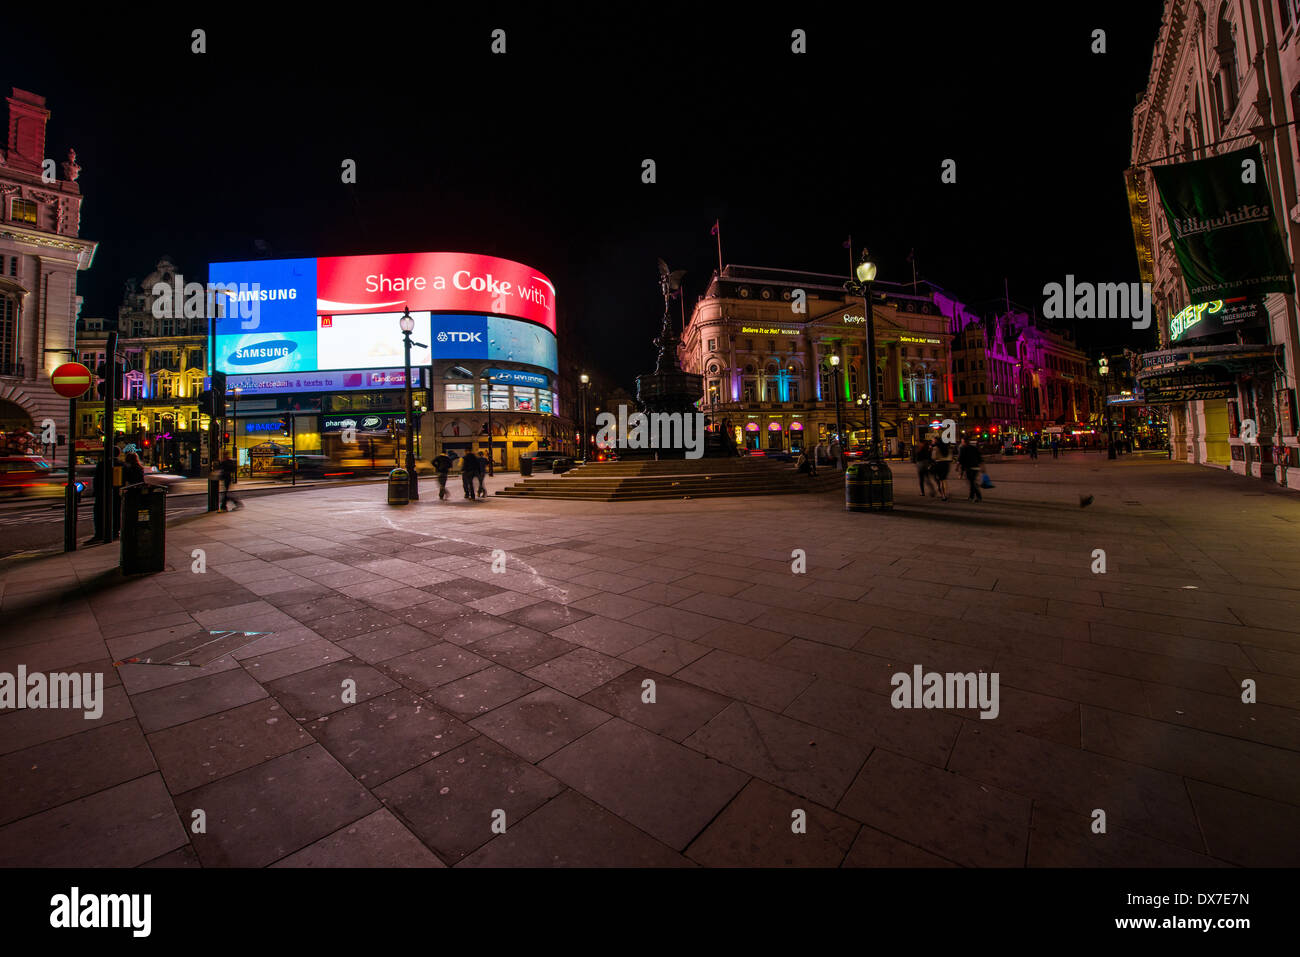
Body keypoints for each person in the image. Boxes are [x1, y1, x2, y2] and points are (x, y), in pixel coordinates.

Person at [89, 444, 123, 542]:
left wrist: (96, 492)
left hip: (102, 494)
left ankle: (99, 533)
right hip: (116, 494)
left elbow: (97, 480)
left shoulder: (102, 464)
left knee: (100, 513)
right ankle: (115, 531)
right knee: (116, 512)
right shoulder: (122, 464)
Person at [958, 437, 984, 502]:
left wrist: (958, 468)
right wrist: (982, 467)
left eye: (962, 441)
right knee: (972, 482)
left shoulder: (963, 448)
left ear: (964, 442)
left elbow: (961, 460)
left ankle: (978, 496)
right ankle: (971, 496)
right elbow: (980, 458)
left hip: (969, 468)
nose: (961, 443)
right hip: (976, 467)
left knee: (972, 483)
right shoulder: (974, 448)